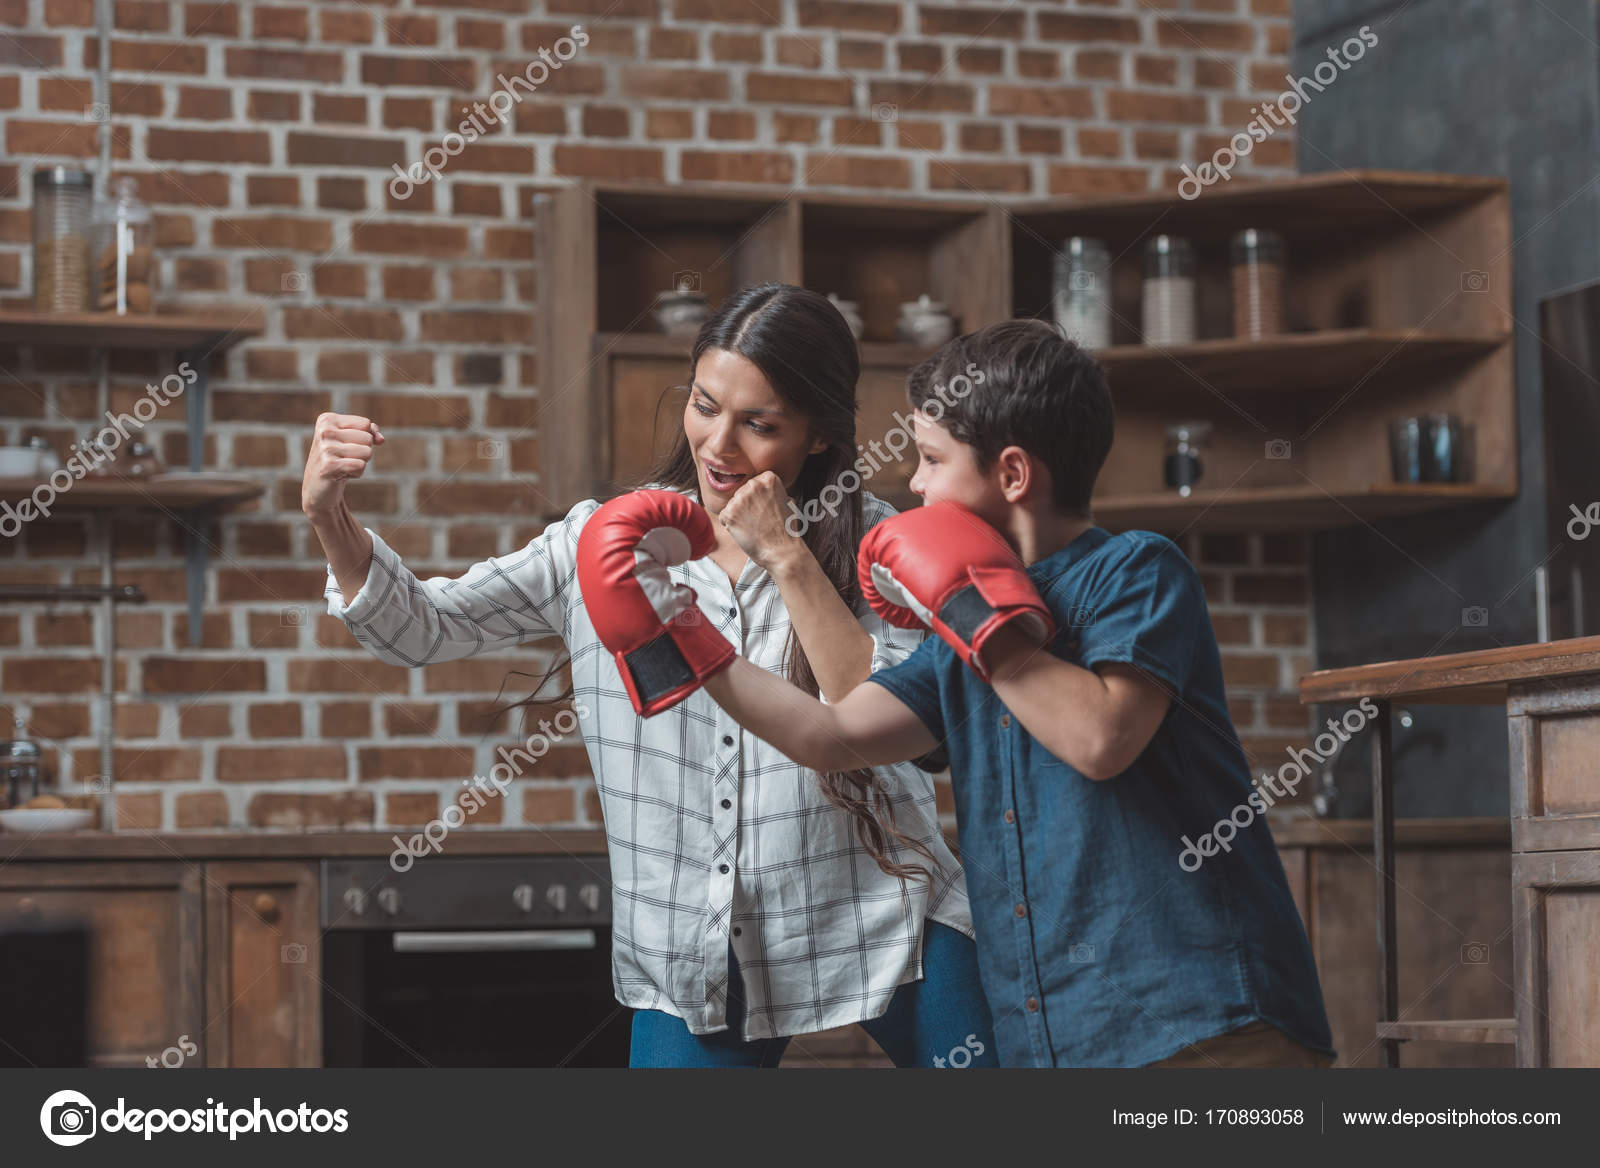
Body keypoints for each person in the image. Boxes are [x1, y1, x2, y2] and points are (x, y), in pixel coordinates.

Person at [580, 318, 1336, 1068]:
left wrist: (969, 611)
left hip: (1202, 1021)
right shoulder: (956, 638)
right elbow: (831, 735)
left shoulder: (1135, 570)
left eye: (931, 460)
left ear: (1011, 475)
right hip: (1060, 1035)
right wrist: (680, 640)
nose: (913, 484)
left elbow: (1102, 739)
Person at [303, 283, 995, 1069]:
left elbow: (880, 718)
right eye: (705, 405)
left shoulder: (884, 541)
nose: (720, 445)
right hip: (697, 944)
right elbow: (423, 628)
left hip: (888, 910)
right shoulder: (605, 540)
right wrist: (331, 518)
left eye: (760, 424)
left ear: (819, 440)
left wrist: (786, 554)